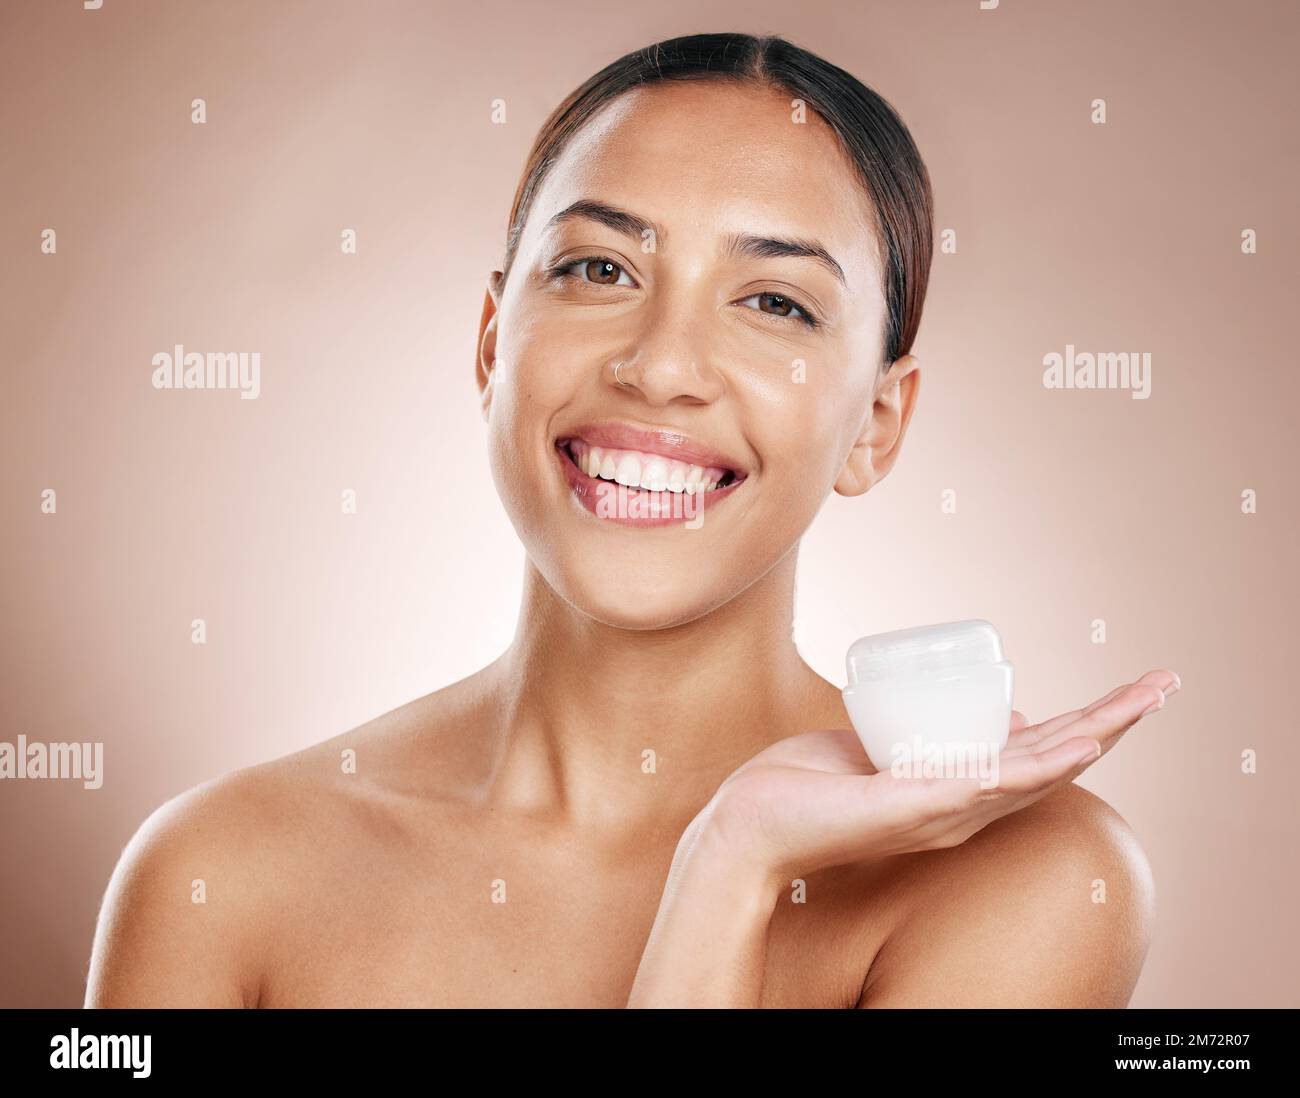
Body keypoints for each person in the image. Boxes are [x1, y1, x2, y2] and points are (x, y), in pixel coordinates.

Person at [86, 32, 1178, 1008]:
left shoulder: (1028, 880)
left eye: (773, 302)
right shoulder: (215, 875)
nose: (659, 368)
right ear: (489, 347)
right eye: (599, 268)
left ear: (875, 426)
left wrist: (729, 862)